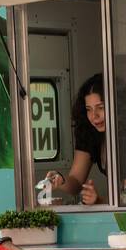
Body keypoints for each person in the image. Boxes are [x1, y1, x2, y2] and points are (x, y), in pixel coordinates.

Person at [46, 73, 109, 206]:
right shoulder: (89, 132)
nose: (94, 116)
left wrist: (99, 201)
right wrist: (61, 180)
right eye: (88, 109)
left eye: (101, 108)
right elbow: (76, 182)